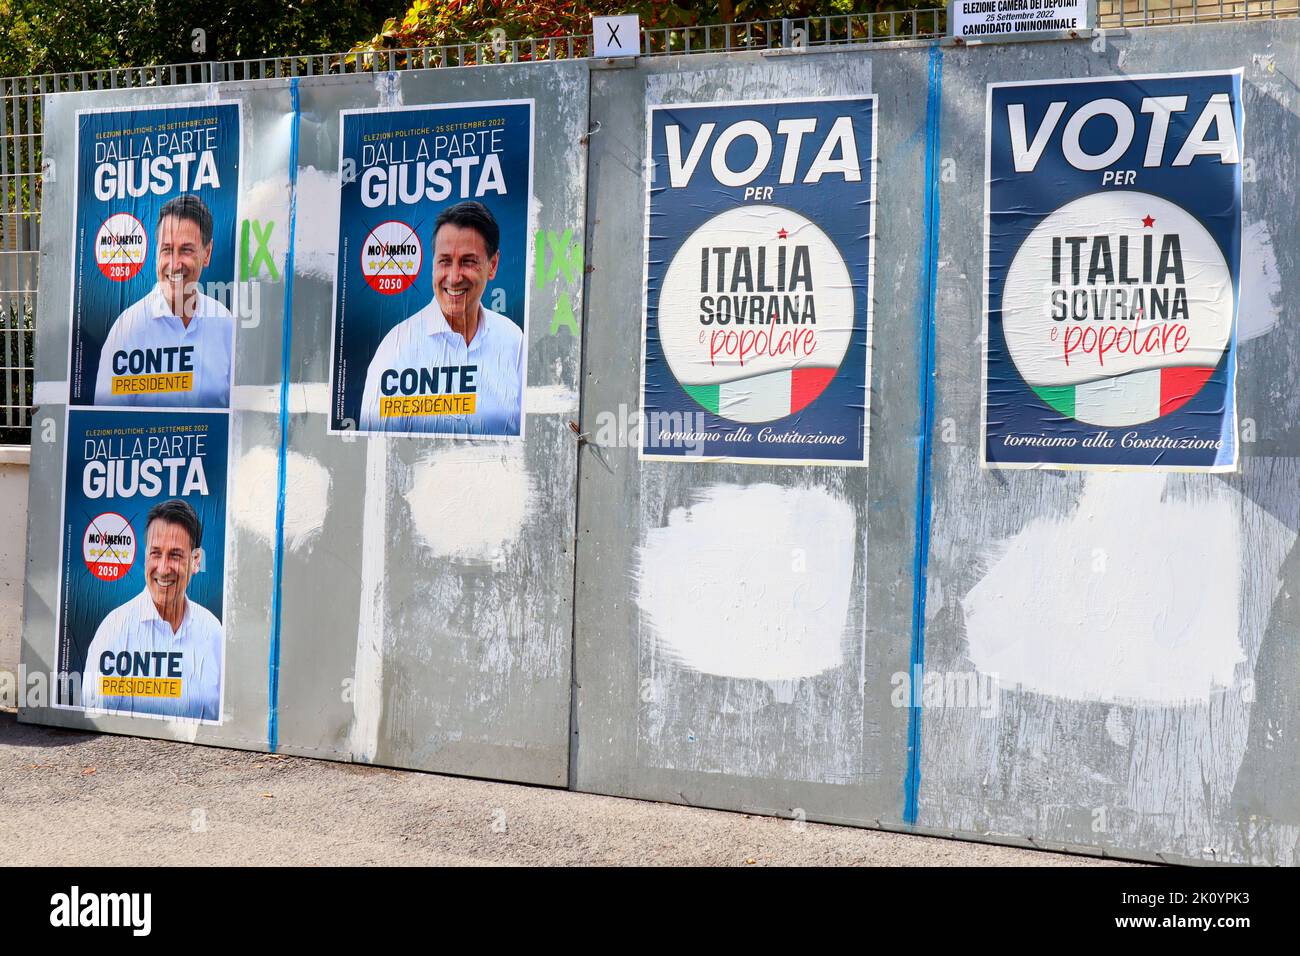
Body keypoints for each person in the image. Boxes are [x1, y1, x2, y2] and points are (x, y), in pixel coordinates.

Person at [358, 201, 524, 435]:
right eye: (445, 261)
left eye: (468, 261)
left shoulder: (513, 341)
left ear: (493, 265)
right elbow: (377, 454)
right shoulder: (396, 349)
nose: (454, 277)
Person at [80, 499, 223, 721]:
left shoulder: (213, 630)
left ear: (195, 561)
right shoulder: (114, 629)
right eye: (156, 553)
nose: (163, 569)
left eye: (175, 555)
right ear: (146, 555)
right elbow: (95, 721)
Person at [93, 194, 235, 408]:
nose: (175, 264)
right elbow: (107, 425)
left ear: (207, 253)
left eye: (186, 250)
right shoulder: (127, 331)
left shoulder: (225, 324)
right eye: (167, 250)